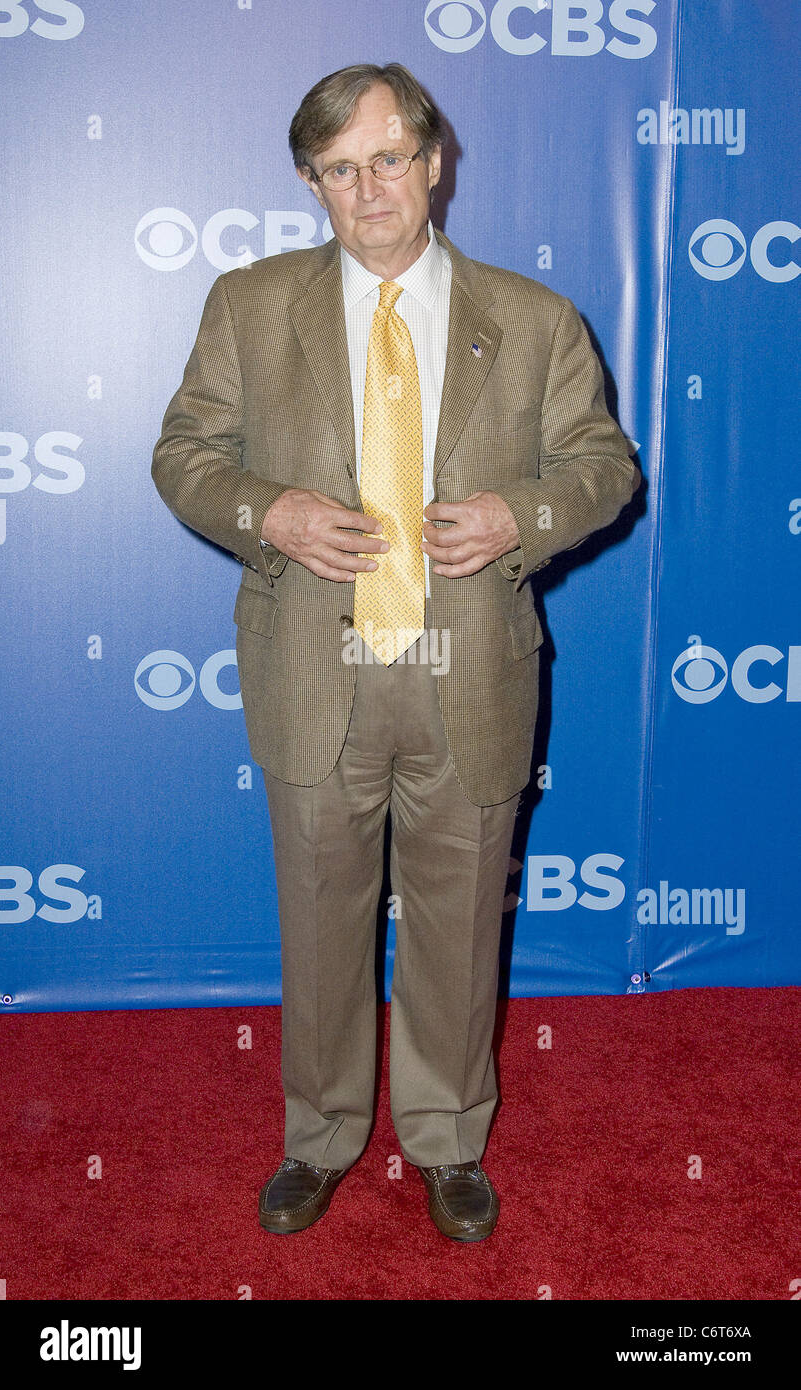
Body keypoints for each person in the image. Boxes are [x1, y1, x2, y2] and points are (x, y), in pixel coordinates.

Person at [151, 62, 641, 1243]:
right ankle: (317, 1139)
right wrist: (266, 509)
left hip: (468, 668)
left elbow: (603, 466)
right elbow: (185, 454)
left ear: (432, 161)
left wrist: (518, 518)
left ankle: (448, 1138)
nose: (365, 186)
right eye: (336, 168)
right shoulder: (246, 304)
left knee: (464, 918)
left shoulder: (532, 320)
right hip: (316, 670)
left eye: (385, 158)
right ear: (311, 183)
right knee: (318, 923)